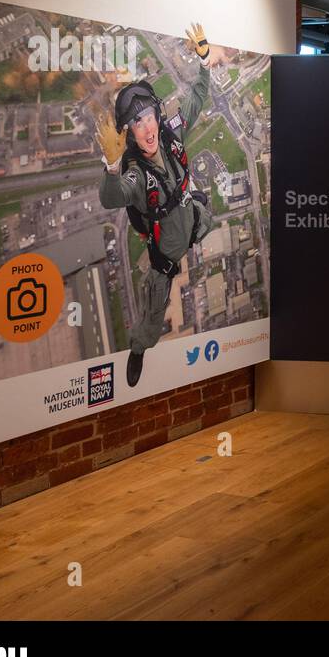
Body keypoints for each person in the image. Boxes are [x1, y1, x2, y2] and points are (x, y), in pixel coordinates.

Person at [97, 23, 214, 388]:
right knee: (153, 308)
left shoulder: (171, 133)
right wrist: (113, 167)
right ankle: (139, 347)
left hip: (193, 219)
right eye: (135, 122)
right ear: (128, 133)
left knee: (203, 208)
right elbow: (111, 198)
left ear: (158, 116)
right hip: (164, 252)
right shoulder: (136, 176)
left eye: (148, 116)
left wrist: (205, 61)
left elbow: (197, 97)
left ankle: (198, 209)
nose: (146, 128)